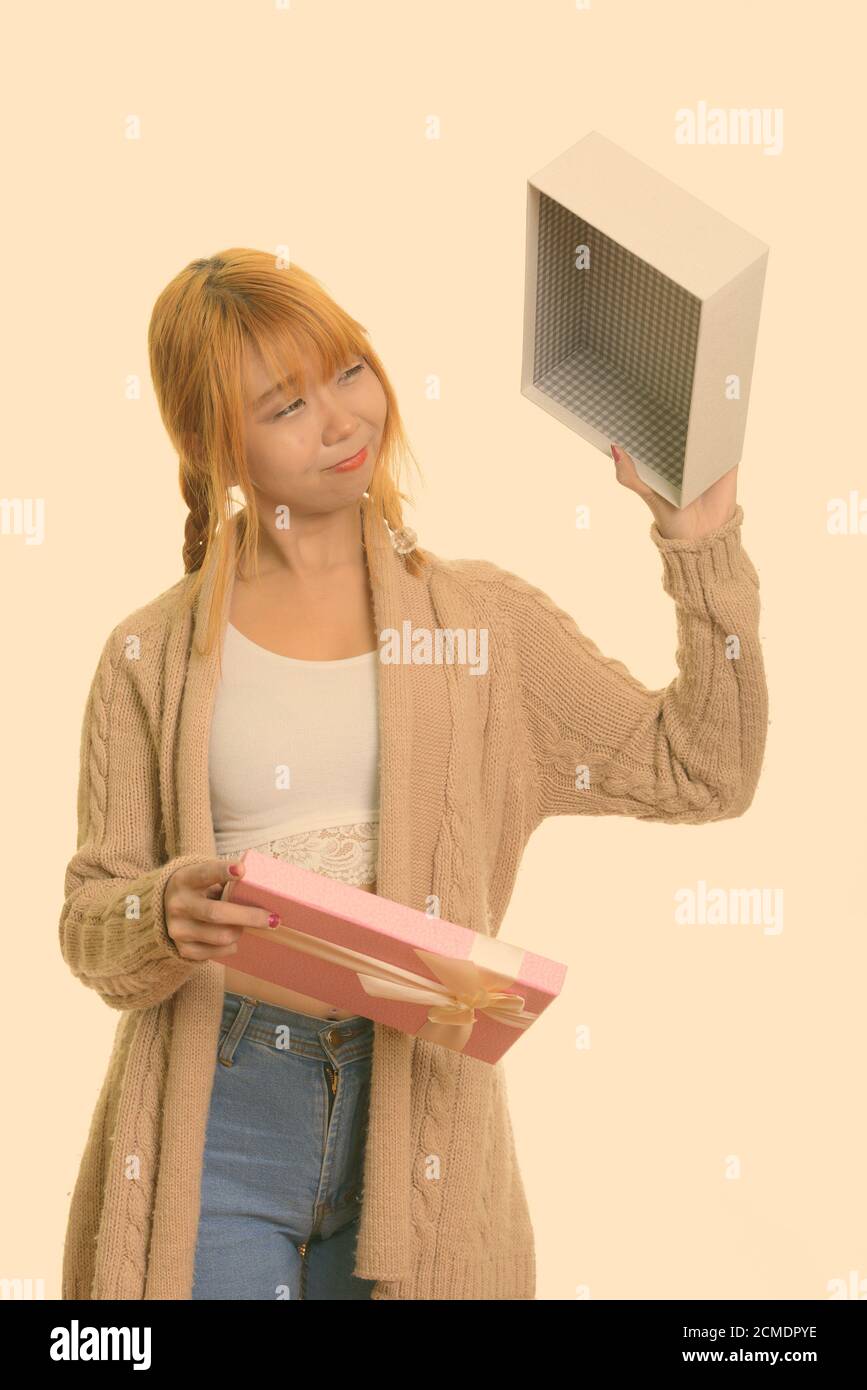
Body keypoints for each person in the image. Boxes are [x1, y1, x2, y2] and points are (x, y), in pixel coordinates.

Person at [59, 248, 769, 1301]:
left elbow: (704, 768)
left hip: (419, 1114)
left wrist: (700, 544)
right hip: (219, 1113)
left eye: (349, 370)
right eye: (286, 403)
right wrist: (157, 913)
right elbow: (87, 918)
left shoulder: (483, 628)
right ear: (215, 444)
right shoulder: (148, 654)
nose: (342, 419)